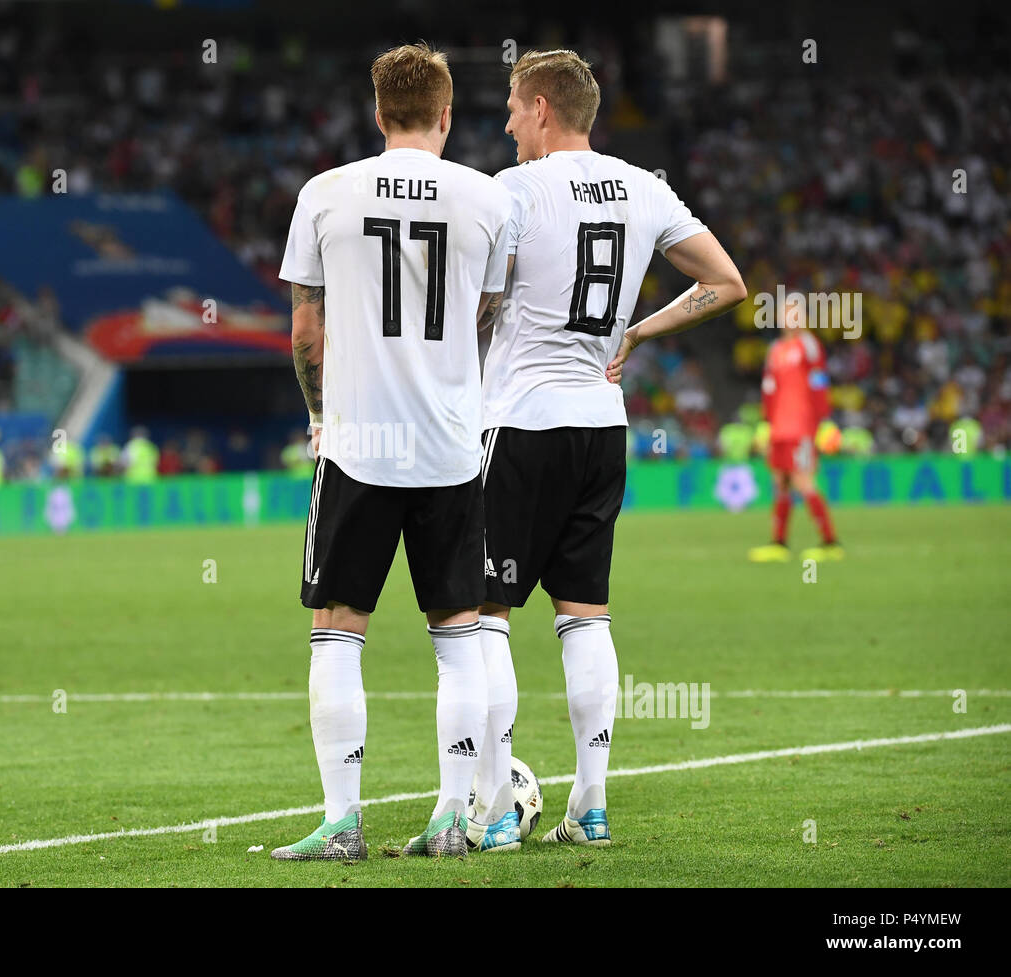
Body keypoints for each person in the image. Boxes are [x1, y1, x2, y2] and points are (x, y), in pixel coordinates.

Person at [477, 50, 747, 850]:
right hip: (603, 423)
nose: (506, 124)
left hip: (522, 419)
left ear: (542, 107)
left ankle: (493, 811)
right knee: (585, 613)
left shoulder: (513, 190)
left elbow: (485, 305)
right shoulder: (643, 185)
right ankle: (589, 805)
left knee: (486, 617)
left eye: (513, 111)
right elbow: (727, 282)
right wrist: (636, 331)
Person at [271, 43, 512, 862]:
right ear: (447, 115)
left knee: (338, 628)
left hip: (358, 443)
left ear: (377, 114)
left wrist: (318, 414)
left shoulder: (323, 194)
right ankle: (452, 816)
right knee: (459, 632)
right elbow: (484, 312)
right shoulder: (486, 200)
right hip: (449, 447)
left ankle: (342, 823)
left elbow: (308, 331)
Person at [748, 295, 842, 563]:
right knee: (780, 483)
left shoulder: (808, 346)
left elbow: (819, 382)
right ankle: (779, 543)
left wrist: (823, 421)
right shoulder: (775, 350)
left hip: (802, 428)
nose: (789, 318)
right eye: (785, 313)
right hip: (778, 429)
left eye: (794, 313)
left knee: (803, 481)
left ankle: (830, 542)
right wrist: (766, 424)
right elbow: (769, 391)